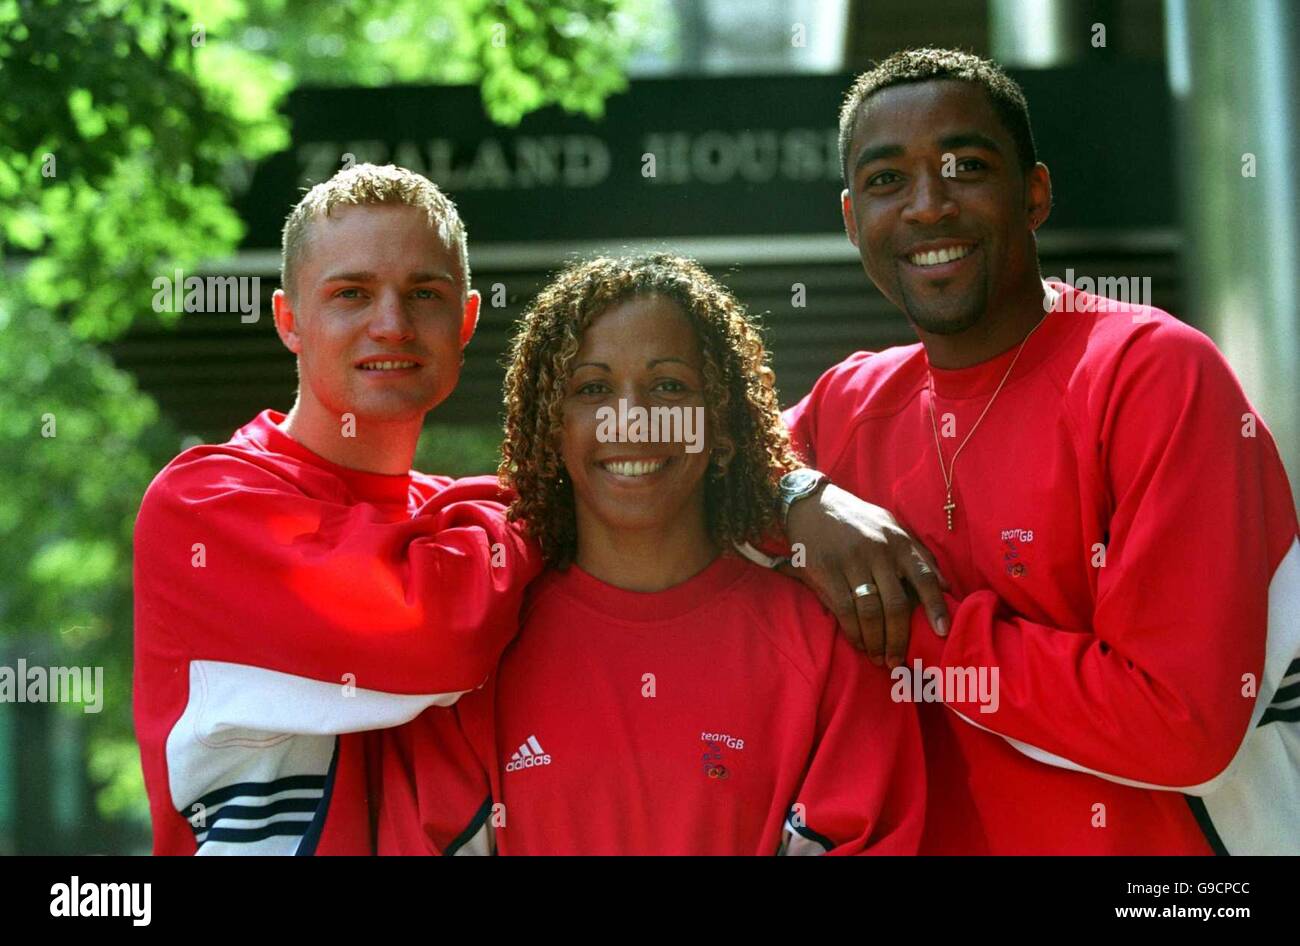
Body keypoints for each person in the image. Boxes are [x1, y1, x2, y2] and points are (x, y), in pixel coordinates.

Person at [780, 48, 1299, 854]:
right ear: (852, 221)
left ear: (1035, 193)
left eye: (966, 167)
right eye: (887, 181)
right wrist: (801, 498)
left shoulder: (1151, 372)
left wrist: (909, 620)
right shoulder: (849, 403)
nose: (927, 206)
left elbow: (1183, 728)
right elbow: (699, 473)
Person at [375, 255, 926, 855]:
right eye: (592, 388)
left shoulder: (827, 646)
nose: (631, 419)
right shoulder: (476, 650)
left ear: (719, 421)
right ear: (552, 428)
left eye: (669, 385)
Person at [133, 164, 542, 855]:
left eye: (425, 294)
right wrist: (545, 505)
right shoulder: (205, 504)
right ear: (289, 320)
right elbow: (439, 632)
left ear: (467, 319)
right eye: (351, 293)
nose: (392, 324)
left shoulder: (458, 523)